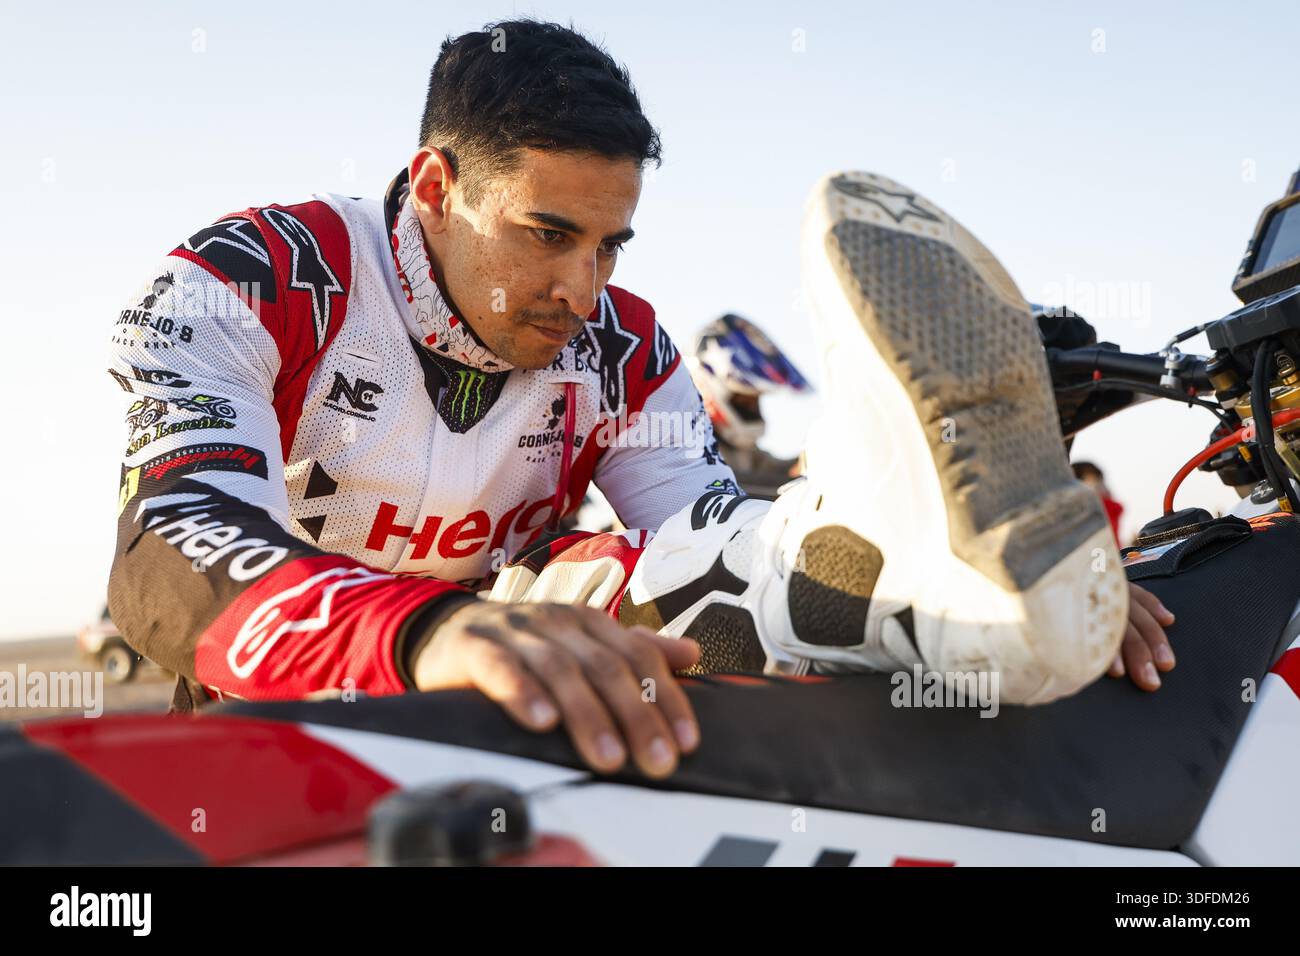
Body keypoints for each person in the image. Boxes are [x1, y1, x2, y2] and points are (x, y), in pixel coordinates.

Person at [107, 20, 1169, 783]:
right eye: (548, 232)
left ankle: (936, 596)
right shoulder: (248, 275)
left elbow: (703, 543)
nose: (584, 285)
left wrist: (1006, 590)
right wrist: (428, 628)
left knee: (657, 571)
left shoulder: (623, 341)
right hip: (281, 706)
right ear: (435, 188)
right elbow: (172, 542)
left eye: (610, 242)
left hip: (508, 686)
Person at [685, 314, 810, 499]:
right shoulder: (684, 447)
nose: (750, 406)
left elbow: (776, 471)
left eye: (754, 399)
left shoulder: (744, 451)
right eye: (743, 399)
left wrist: (810, 458)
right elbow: (723, 486)